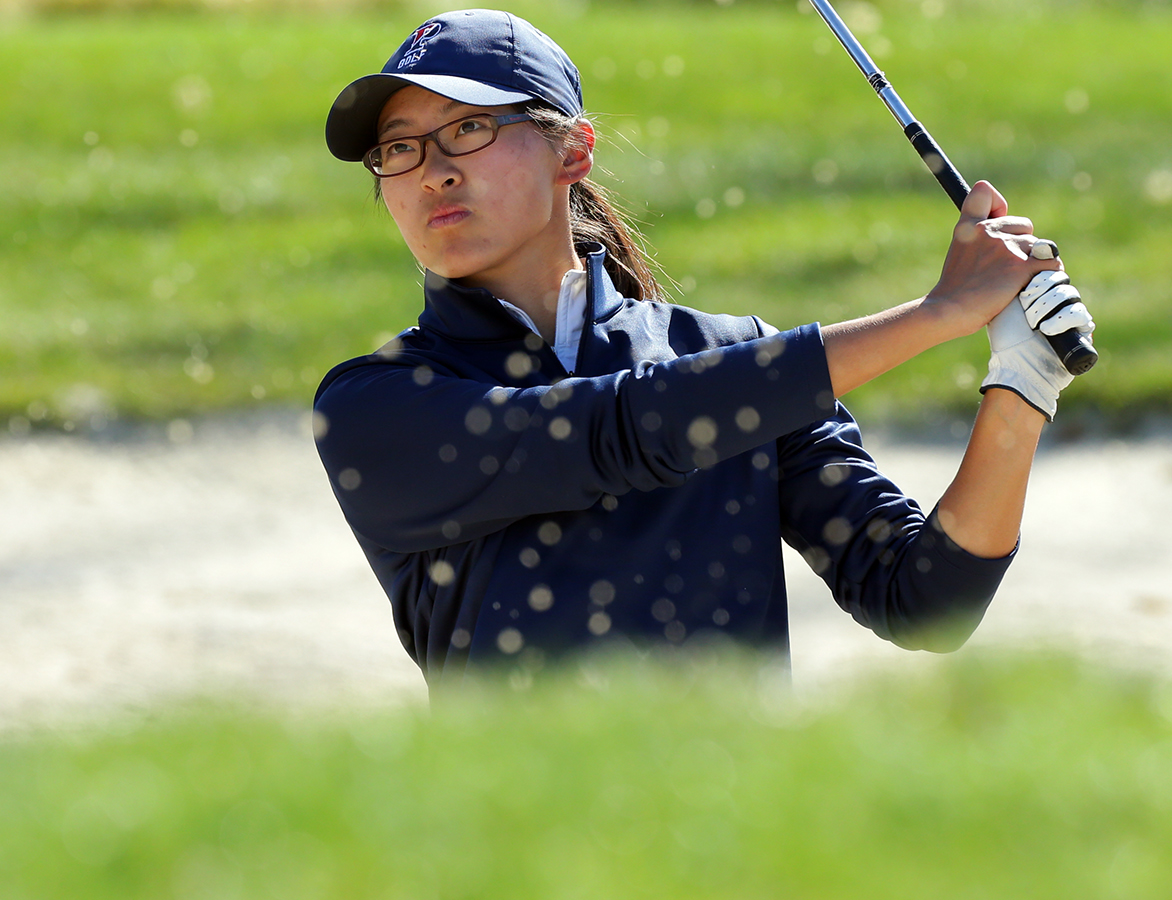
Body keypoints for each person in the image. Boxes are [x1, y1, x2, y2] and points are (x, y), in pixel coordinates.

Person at [313, 9, 1093, 688]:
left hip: (732, 836)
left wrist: (1021, 387)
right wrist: (938, 314)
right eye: (399, 150)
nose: (433, 174)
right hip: (519, 847)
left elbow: (926, 600)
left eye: (470, 128)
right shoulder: (373, 406)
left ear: (573, 153)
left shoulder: (732, 358)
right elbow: (623, 430)